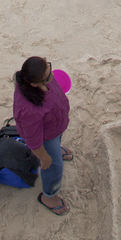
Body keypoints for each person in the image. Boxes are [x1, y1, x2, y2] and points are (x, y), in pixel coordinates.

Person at [13, 56, 72, 215]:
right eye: (47, 77)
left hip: (54, 127)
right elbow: (33, 140)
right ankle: (49, 196)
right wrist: (44, 157)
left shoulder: (41, 81)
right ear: (34, 84)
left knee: (55, 146)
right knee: (54, 167)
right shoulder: (29, 110)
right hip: (46, 137)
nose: (52, 77)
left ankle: (56, 150)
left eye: (49, 68)